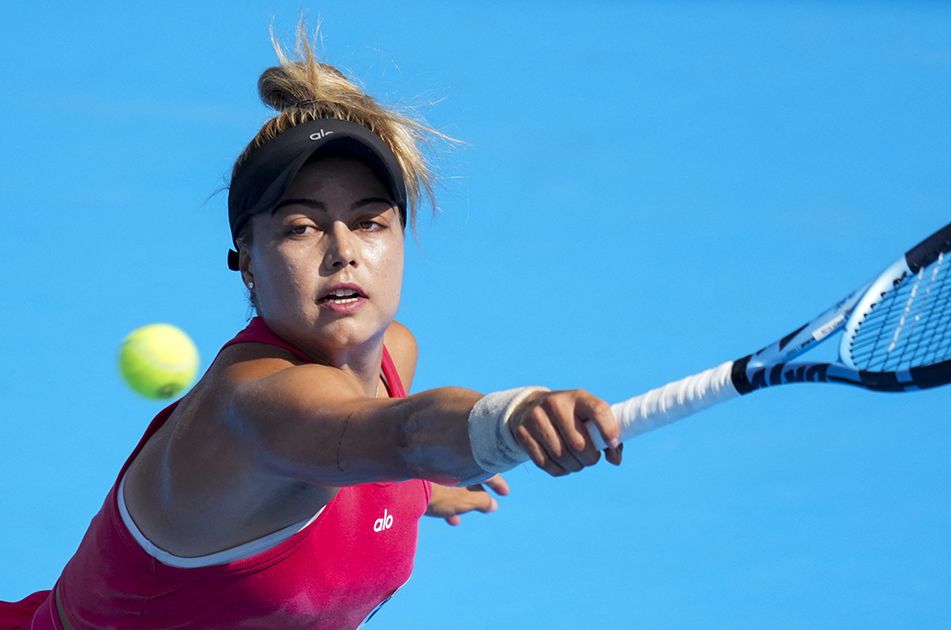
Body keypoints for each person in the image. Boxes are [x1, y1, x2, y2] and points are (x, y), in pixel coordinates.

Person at [0, 27, 622, 630]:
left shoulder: (392, 357)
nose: (343, 250)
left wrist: (420, 491)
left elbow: (380, 442)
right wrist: (509, 418)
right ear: (246, 258)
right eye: (301, 226)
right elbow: (400, 436)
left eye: (371, 222)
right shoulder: (258, 406)